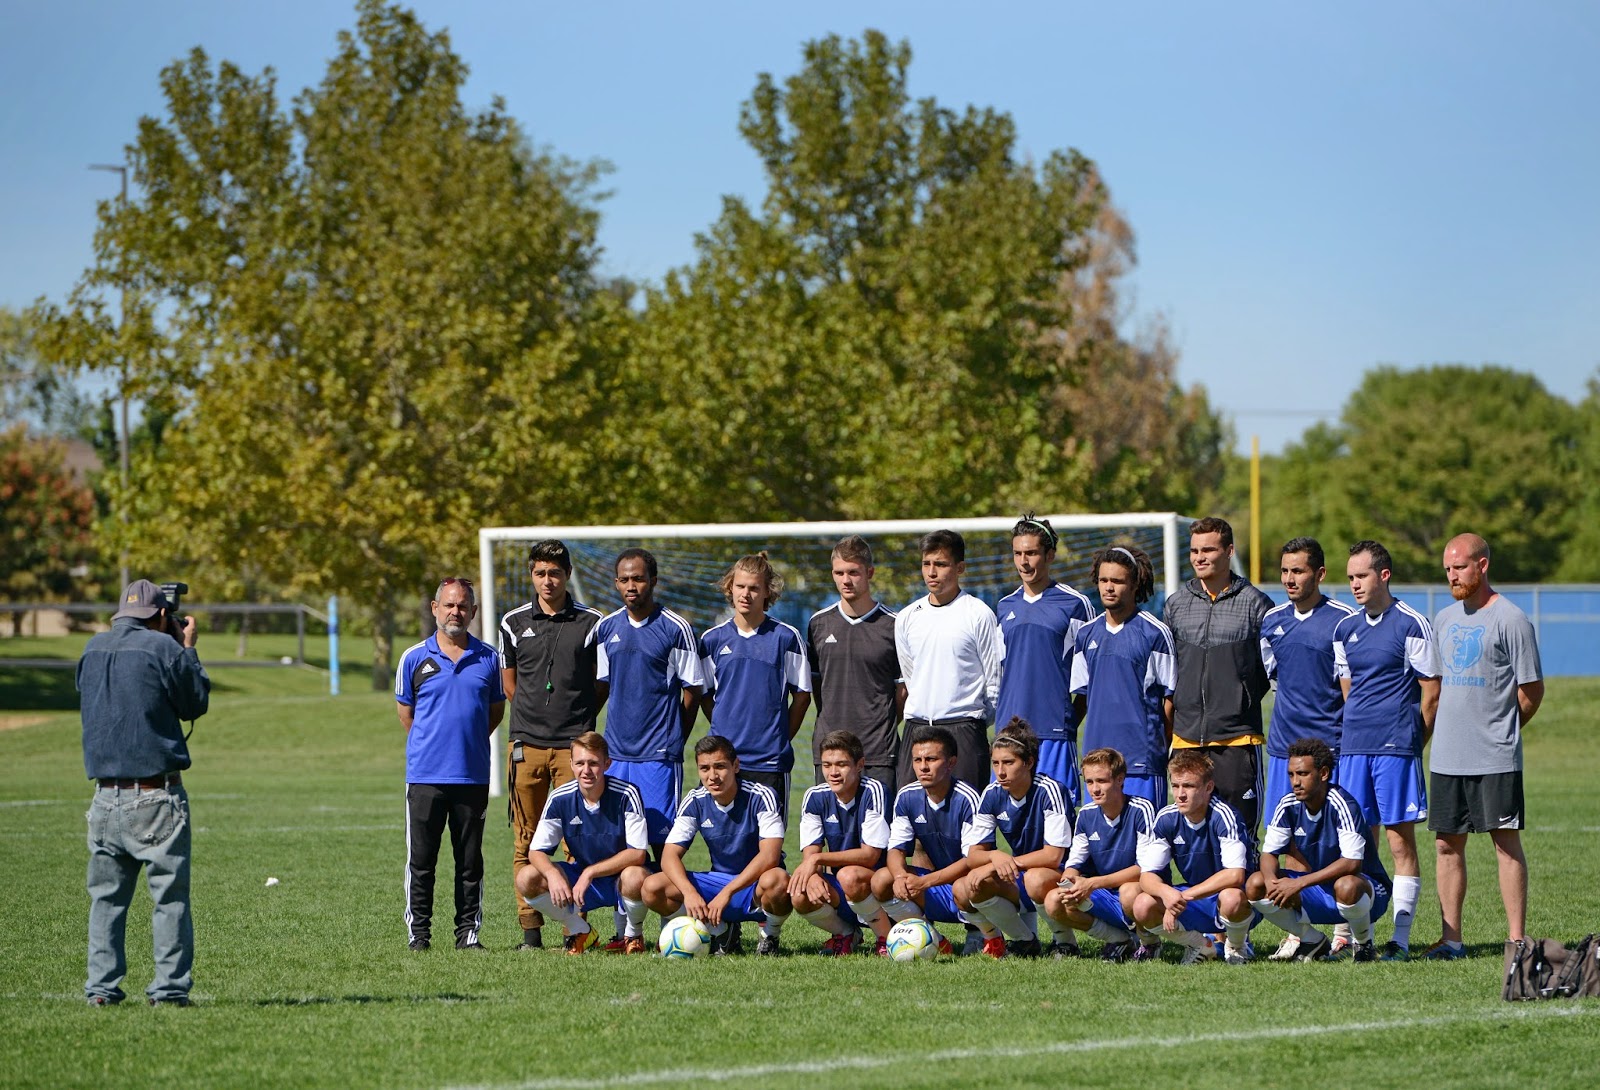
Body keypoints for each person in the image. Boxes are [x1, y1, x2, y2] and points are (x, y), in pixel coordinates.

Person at [79, 579, 210, 1006]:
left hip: (103, 798)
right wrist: (187, 648)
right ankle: (169, 991)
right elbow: (194, 703)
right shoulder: (165, 648)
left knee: (106, 901)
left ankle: (101, 990)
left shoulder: (91, 650)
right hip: (155, 795)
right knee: (169, 899)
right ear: (159, 616)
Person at [1427, 533, 1543, 960]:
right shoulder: (1443, 619)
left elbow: (1531, 690)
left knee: (1504, 843)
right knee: (1445, 844)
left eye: (1459, 567)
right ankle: (1451, 939)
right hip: (1447, 756)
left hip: (1494, 756)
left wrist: (1503, 729)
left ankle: (1516, 941)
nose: (1452, 575)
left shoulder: (1511, 619)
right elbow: (1435, 689)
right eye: (1447, 569)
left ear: (1482, 565)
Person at [1334, 539, 1440, 960]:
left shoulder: (1412, 623)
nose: (1355, 585)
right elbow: (1349, 693)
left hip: (1396, 750)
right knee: (1355, 842)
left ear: (1384, 575)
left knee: (1400, 843)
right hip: (1354, 750)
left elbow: (1431, 693)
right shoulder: (1345, 630)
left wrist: (1413, 743)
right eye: (1350, 578)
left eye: (1361, 576)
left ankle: (1400, 938)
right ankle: (1353, 934)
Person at [497, 539, 604, 950]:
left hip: (572, 750)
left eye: (555, 573)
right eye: (540, 573)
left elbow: (601, 682)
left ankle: (573, 928)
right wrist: (533, 719)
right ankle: (530, 931)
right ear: (531, 575)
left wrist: (576, 722)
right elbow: (510, 684)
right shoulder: (512, 622)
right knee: (526, 839)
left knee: (573, 840)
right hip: (526, 744)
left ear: (568, 576)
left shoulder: (591, 622)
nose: (548, 581)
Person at [396, 577, 506, 951]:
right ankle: (419, 935)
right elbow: (406, 713)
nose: (455, 612)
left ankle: (468, 935)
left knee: (470, 863)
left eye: (462, 606)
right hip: (425, 776)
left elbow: (494, 712)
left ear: (473, 612)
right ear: (434, 608)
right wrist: (434, 746)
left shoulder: (489, 658)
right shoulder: (413, 658)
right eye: (449, 605)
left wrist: (467, 741)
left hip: (472, 775)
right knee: (422, 863)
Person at [1163, 516, 1274, 832]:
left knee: (1240, 833)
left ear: (1228, 551)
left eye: (1208, 550)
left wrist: (1238, 698)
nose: (1199, 557)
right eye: (1194, 550)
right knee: (1190, 836)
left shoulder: (1256, 604)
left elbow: (1267, 670)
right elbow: (1170, 669)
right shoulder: (1176, 605)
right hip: (1186, 738)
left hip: (1236, 738)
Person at [592, 548, 706, 851]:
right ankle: (623, 901)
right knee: (618, 840)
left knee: (660, 842)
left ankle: (664, 898)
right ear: (616, 583)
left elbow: (693, 689)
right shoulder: (606, 628)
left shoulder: (676, 629)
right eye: (625, 579)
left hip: (658, 755)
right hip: (615, 753)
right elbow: (602, 685)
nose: (631, 586)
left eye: (639, 579)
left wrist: (675, 736)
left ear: (653, 581)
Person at [640, 735, 790, 955]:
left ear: (735, 766)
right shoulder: (695, 800)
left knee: (778, 880)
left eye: (720, 767)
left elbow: (770, 857)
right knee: (652, 887)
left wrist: (727, 893)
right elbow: (669, 856)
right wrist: (689, 892)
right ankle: (719, 931)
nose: (712, 776)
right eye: (704, 768)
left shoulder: (761, 796)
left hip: (757, 886)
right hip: (719, 882)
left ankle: (770, 936)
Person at [1247, 739, 1392, 963]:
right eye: (1291, 775)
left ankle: (1363, 945)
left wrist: (1299, 883)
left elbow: (1352, 864)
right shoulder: (1287, 805)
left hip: (1367, 891)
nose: (1295, 782)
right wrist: (1270, 881)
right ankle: (1312, 940)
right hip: (1320, 889)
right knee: (1255, 884)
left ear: (1323, 773)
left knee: (1347, 885)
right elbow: (1269, 855)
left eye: (1303, 774)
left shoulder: (1343, 804)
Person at [698, 552, 811, 822]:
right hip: (725, 760)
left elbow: (803, 697)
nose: (745, 594)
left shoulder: (786, 637)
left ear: (766, 592)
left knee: (769, 844)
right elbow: (705, 696)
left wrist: (780, 737)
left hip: (769, 760)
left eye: (753, 588)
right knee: (726, 838)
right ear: (730, 587)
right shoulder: (711, 640)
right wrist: (725, 730)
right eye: (740, 586)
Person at [515, 732, 651, 954]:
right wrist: (552, 874)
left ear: (607, 764)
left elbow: (637, 854)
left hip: (621, 878)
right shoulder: (560, 798)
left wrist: (589, 873)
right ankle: (581, 931)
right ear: (571, 764)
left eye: (593, 763)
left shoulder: (627, 794)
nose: (586, 771)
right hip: (583, 883)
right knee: (526, 877)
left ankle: (631, 935)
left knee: (635, 875)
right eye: (579, 763)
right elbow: (536, 852)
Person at [995, 514, 1095, 802]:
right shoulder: (1004, 606)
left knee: (1058, 820)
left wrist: (1066, 721)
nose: (1023, 562)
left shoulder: (1075, 604)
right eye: (1017, 553)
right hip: (1009, 734)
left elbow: (1090, 677)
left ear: (1050, 555)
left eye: (1031, 553)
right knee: (1010, 822)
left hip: (1053, 734)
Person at [895, 529, 1004, 793]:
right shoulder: (908, 617)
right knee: (913, 823)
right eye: (926, 564)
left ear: (960, 568)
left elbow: (994, 681)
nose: (932, 572)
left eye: (941, 564)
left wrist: (971, 721)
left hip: (964, 730)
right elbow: (911, 676)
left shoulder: (979, 614)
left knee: (969, 824)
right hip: (917, 729)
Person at [1071, 545, 1175, 810]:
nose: (1109, 587)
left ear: (1134, 584)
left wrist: (1162, 750)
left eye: (1117, 581)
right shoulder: (1085, 635)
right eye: (1104, 580)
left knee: (1149, 845)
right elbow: (1082, 697)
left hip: (1141, 761)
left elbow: (1170, 700)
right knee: (1101, 845)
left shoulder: (1155, 633)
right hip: (1096, 763)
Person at [958, 720, 1073, 958]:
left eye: (1009, 763)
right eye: (996, 763)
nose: (1000, 771)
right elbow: (973, 854)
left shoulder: (1050, 791)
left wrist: (998, 865)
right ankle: (1024, 941)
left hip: (1064, 879)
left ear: (1029, 762)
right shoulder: (992, 793)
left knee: (1036, 878)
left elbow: (1053, 856)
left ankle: (1065, 943)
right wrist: (994, 855)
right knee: (965, 886)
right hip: (1023, 874)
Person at [1260, 538, 1356, 819]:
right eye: (1285, 571)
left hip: (1329, 748)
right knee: (1286, 838)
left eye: (1298, 571)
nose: (1289, 579)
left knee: (1336, 837)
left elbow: (1352, 688)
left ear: (1320, 574)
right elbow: (1275, 677)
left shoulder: (1345, 621)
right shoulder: (1271, 621)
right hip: (1283, 749)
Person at [1133, 750, 1257, 964]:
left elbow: (1235, 876)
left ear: (1208, 788)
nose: (1180, 794)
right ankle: (1201, 945)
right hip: (1195, 898)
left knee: (1232, 897)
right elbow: (1147, 877)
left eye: (1189, 786)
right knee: (1142, 904)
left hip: (1233, 900)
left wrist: (1183, 897)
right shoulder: (1166, 818)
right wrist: (1167, 894)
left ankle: (1237, 946)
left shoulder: (1225, 816)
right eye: (1176, 786)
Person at [1043, 747, 1163, 963]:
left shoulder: (1141, 809)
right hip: (1104, 893)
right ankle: (1119, 940)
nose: (1094, 789)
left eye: (1101, 781)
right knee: (1054, 900)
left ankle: (1149, 943)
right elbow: (1074, 863)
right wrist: (1069, 883)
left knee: (1128, 891)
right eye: (1089, 782)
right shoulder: (1087, 815)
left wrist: (1093, 883)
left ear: (1120, 779)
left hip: (1138, 893)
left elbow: (1145, 869)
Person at [870, 726, 983, 955]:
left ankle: (980, 933)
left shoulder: (968, 798)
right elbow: (896, 850)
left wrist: (925, 882)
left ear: (951, 763)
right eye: (917, 760)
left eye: (931, 759)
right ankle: (932, 938)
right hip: (935, 887)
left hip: (968, 886)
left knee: (966, 885)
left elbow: (972, 861)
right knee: (883, 879)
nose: (923, 767)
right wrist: (901, 877)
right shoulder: (907, 796)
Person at [807, 535, 905, 794]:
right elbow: (818, 686)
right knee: (833, 833)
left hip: (877, 753)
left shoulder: (894, 625)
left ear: (870, 572)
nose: (846, 580)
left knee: (880, 833)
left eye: (854, 572)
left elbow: (902, 692)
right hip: (830, 753)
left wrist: (879, 725)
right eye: (839, 573)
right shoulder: (818, 624)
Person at [788, 730, 891, 955]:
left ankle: (886, 937)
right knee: (799, 894)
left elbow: (870, 856)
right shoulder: (815, 796)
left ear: (859, 764)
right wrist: (813, 873)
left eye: (841, 764)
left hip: (879, 887)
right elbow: (810, 853)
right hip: (843, 887)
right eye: (826, 765)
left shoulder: (875, 791)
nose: (833, 772)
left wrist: (817, 860)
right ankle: (845, 934)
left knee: (850, 875)